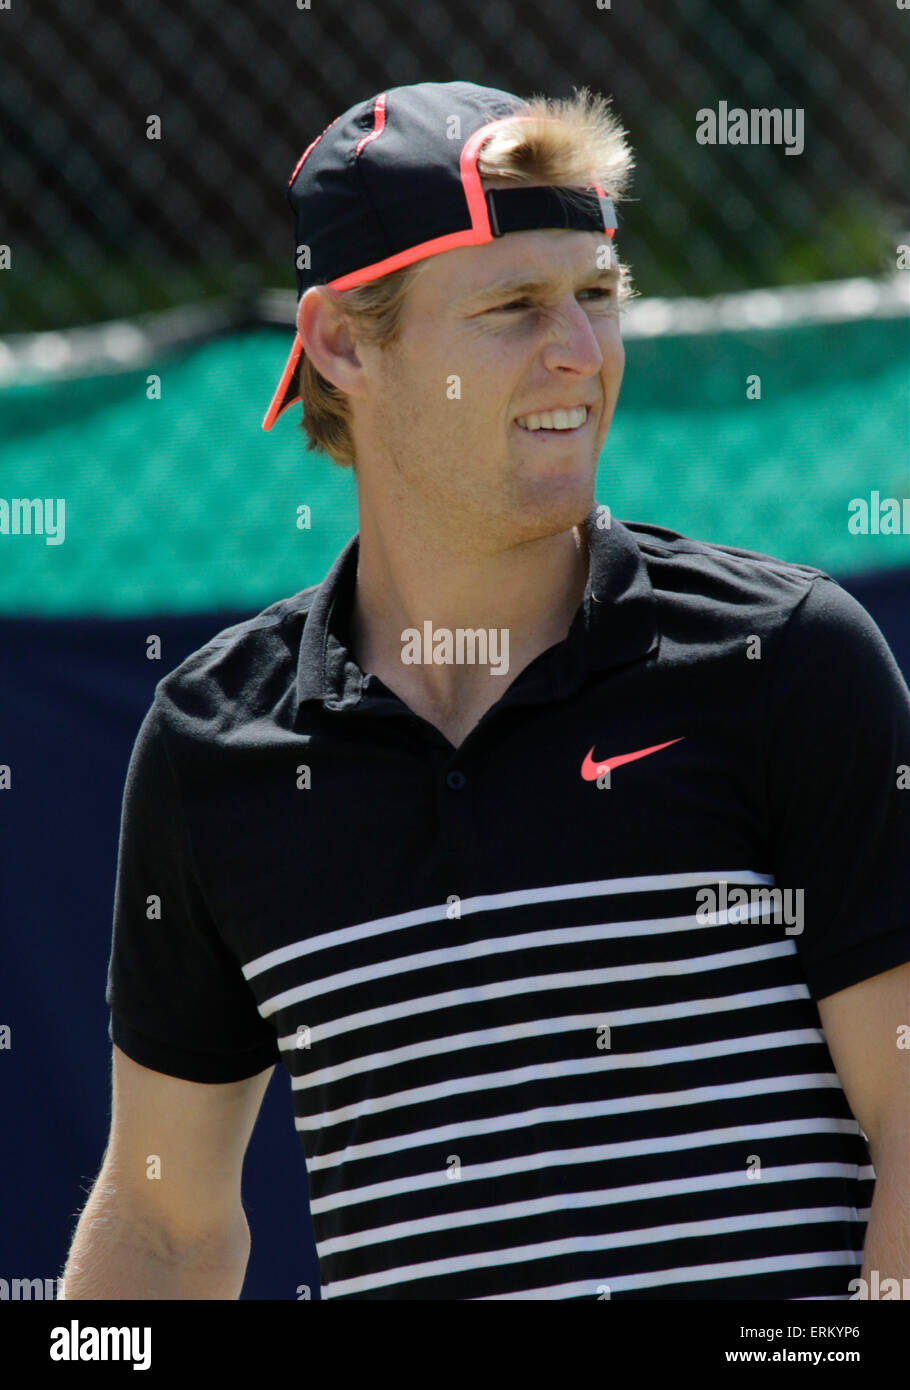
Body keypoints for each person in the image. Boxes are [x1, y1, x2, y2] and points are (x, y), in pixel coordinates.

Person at [63, 80, 909, 1301]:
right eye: (516, 306)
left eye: (598, 297)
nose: (582, 351)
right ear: (344, 343)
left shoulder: (791, 660)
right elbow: (161, 1225)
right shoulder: (215, 745)